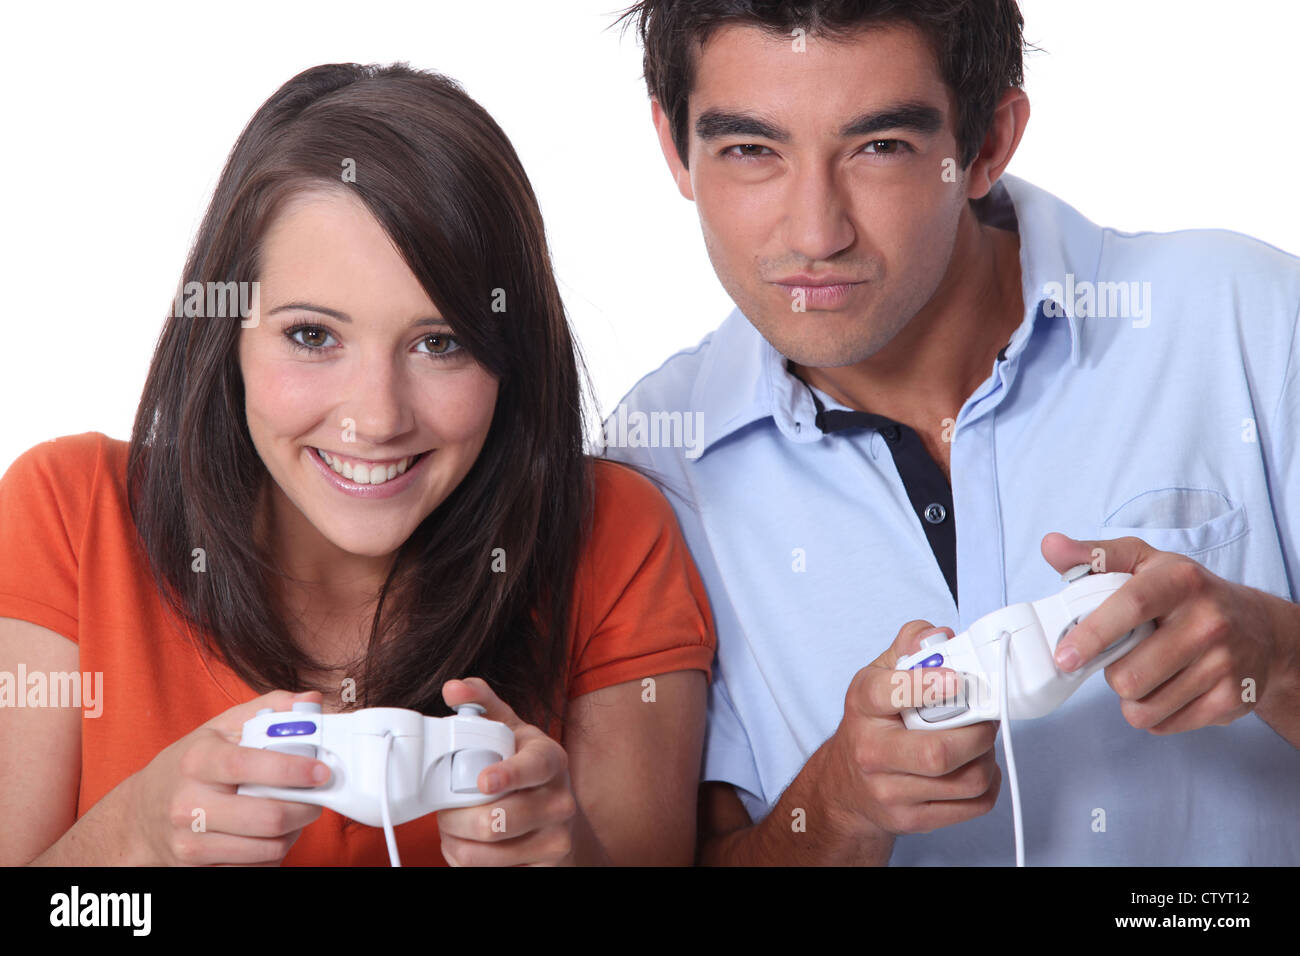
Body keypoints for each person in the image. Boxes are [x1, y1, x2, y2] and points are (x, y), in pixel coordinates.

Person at [602, 0, 1300, 865]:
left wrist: (1277, 656)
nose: (815, 234)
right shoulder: (650, 470)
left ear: (989, 143)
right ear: (675, 148)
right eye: (751, 150)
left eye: (879, 147)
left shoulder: (1252, 319)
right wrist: (839, 806)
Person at [0, 62, 715, 866]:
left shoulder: (610, 534)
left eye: (438, 343)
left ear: (512, 356)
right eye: (312, 336)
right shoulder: (69, 513)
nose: (376, 418)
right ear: (226, 333)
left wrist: (567, 857)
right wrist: (135, 835)